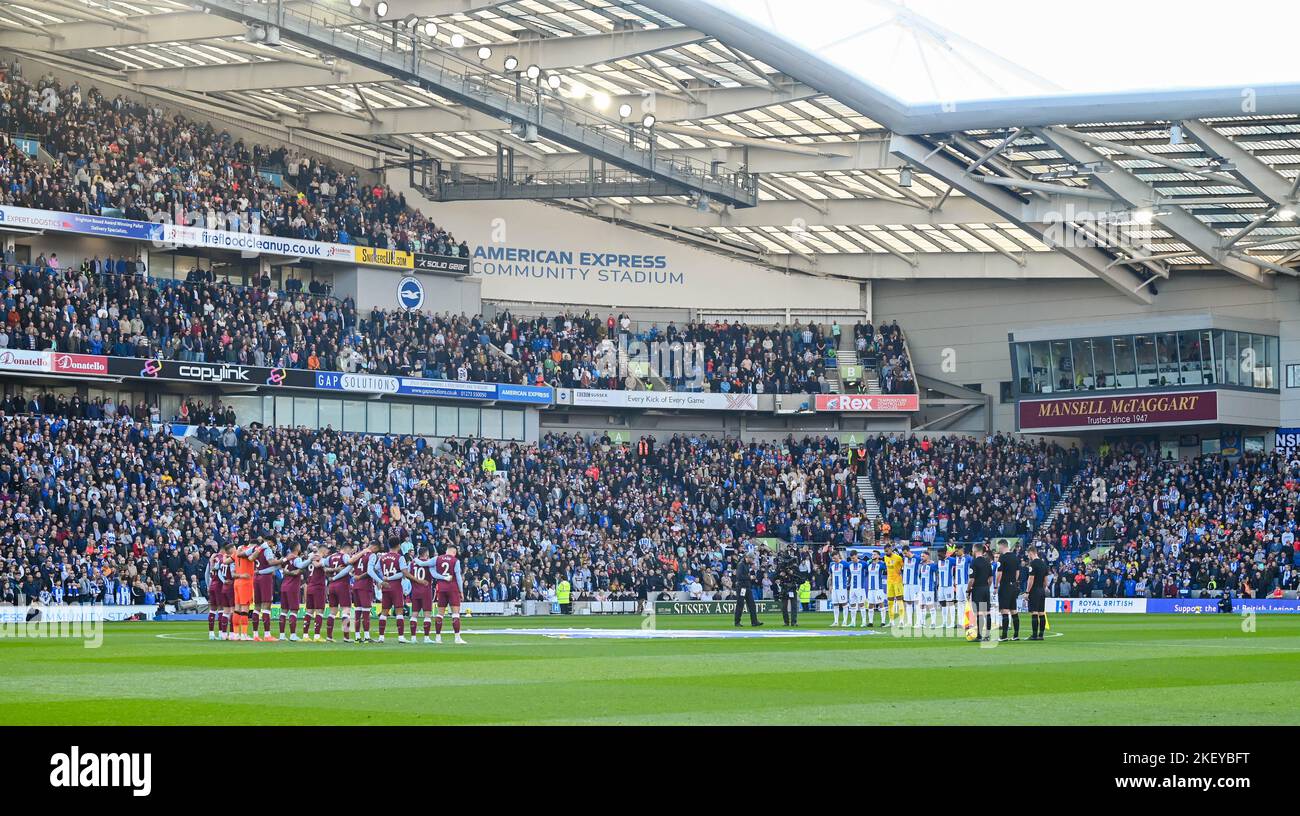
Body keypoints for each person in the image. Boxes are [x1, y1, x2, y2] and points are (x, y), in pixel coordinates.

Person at [375, 537, 411, 643]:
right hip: (395, 586)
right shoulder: (400, 557)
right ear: (399, 545)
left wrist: (383, 577)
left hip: (386, 587)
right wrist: (390, 577)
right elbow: (403, 573)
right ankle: (401, 637)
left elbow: (376, 568)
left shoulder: (382, 557)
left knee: (384, 612)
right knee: (399, 611)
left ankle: (381, 637)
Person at [433, 544, 467, 644]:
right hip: (453, 588)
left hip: (441, 588)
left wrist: (417, 561)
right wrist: (461, 591)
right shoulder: (455, 561)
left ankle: (438, 638)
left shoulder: (437, 558)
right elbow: (458, 577)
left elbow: (428, 565)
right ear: (454, 552)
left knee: (440, 614)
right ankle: (457, 638)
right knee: (455, 614)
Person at [325, 544, 356, 643]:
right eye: (351, 551)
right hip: (342, 585)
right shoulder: (345, 556)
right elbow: (350, 564)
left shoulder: (330, 557)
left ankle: (329, 636)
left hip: (332, 585)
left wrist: (332, 571)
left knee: (332, 612)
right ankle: (346, 637)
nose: (351, 553)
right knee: (346, 610)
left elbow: (324, 568)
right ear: (347, 549)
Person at [278, 541, 306, 641]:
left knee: (284, 611)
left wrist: (287, 572)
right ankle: (293, 635)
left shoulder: (285, 558)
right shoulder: (297, 559)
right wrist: (297, 571)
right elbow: (298, 570)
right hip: (292, 587)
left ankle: (281, 635)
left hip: (284, 586)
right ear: (297, 547)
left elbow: (281, 569)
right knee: (293, 611)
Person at [353, 540, 380, 642]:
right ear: (374, 547)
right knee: (366, 612)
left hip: (355, 586)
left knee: (357, 611)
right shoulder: (372, 555)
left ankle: (357, 636)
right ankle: (367, 637)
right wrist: (380, 581)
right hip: (365, 586)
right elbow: (370, 571)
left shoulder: (359, 555)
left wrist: (355, 576)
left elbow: (350, 565)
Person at [409, 546, 437, 643]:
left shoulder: (412, 563)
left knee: (414, 614)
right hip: (426, 591)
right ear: (426, 553)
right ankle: (426, 638)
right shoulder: (429, 563)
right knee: (427, 615)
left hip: (415, 591)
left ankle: (413, 638)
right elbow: (434, 575)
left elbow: (408, 575)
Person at [996, 541, 1022, 641]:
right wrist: (1014, 582)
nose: (999, 549)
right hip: (1013, 586)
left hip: (1005, 585)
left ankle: (1004, 635)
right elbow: (1017, 572)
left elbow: (999, 573)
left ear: (1002, 546)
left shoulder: (1002, 558)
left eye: (999, 547)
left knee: (1004, 610)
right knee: (1014, 610)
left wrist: (996, 585)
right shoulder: (1015, 557)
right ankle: (1016, 635)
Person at [303, 543, 329, 642]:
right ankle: (317, 636)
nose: (327, 553)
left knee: (309, 611)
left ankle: (305, 635)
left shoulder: (311, 558)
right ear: (323, 550)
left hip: (310, 586)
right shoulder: (320, 559)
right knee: (319, 611)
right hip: (318, 587)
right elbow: (324, 569)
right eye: (327, 551)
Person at [231, 539, 255, 641]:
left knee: (237, 609)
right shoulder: (249, 551)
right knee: (245, 609)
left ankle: (236, 634)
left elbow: (227, 561)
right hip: (245, 582)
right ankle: (244, 634)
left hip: (237, 582)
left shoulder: (237, 551)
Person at [969, 543, 993, 642]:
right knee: (987, 612)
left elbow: (971, 579)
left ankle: (979, 636)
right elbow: (991, 578)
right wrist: (987, 587)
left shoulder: (974, 562)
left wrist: (968, 589)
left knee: (978, 613)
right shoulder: (988, 562)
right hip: (986, 589)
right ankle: (987, 635)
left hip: (977, 589)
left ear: (975, 550)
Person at [731, 553, 762, 627]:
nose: (753, 560)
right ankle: (737, 622)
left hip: (747, 587)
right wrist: (749, 577)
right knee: (740, 605)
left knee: (752, 605)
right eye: (752, 559)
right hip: (741, 587)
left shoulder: (746, 565)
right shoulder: (741, 564)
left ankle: (754, 622)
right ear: (748, 557)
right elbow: (739, 576)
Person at [1025, 544, 1048, 641]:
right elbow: (1045, 580)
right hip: (1041, 590)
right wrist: (1043, 588)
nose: (1028, 557)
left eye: (1028, 555)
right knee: (1041, 612)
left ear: (1031, 553)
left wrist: (1027, 591)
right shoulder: (1044, 564)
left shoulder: (1033, 564)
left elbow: (1031, 579)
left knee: (1034, 612)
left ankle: (1034, 635)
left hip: (1034, 590)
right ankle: (1041, 635)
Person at [883, 542, 904, 626]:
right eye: (885, 551)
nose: (886, 553)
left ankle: (901, 620)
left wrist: (901, 570)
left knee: (899, 600)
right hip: (889, 582)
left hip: (897, 581)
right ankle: (891, 621)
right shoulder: (885, 558)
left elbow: (904, 566)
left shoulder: (898, 558)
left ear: (891, 549)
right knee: (890, 602)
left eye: (887, 551)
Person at [846, 550, 867, 627]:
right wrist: (848, 583)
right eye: (851, 558)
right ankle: (853, 622)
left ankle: (864, 622)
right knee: (852, 605)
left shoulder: (863, 564)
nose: (852, 560)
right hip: (852, 588)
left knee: (861, 604)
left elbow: (867, 572)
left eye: (854, 558)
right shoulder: (850, 565)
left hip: (860, 588)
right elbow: (849, 575)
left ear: (857, 556)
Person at [866, 550, 887, 627]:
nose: (873, 556)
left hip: (878, 588)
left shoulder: (881, 565)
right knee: (870, 605)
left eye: (874, 554)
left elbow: (887, 569)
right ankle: (870, 622)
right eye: (872, 554)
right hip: (870, 588)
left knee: (881, 603)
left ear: (878, 556)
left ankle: (883, 622)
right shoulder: (869, 565)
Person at [828, 550, 848, 626]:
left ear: (838, 555)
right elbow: (831, 575)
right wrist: (830, 586)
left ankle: (845, 621)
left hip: (842, 588)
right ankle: (836, 621)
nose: (834, 559)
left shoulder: (844, 563)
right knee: (835, 604)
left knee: (844, 604)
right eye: (832, 558)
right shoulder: (831, 564)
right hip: (834, 588)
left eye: (835, 558)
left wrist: (848, 582)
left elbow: (850, 572)